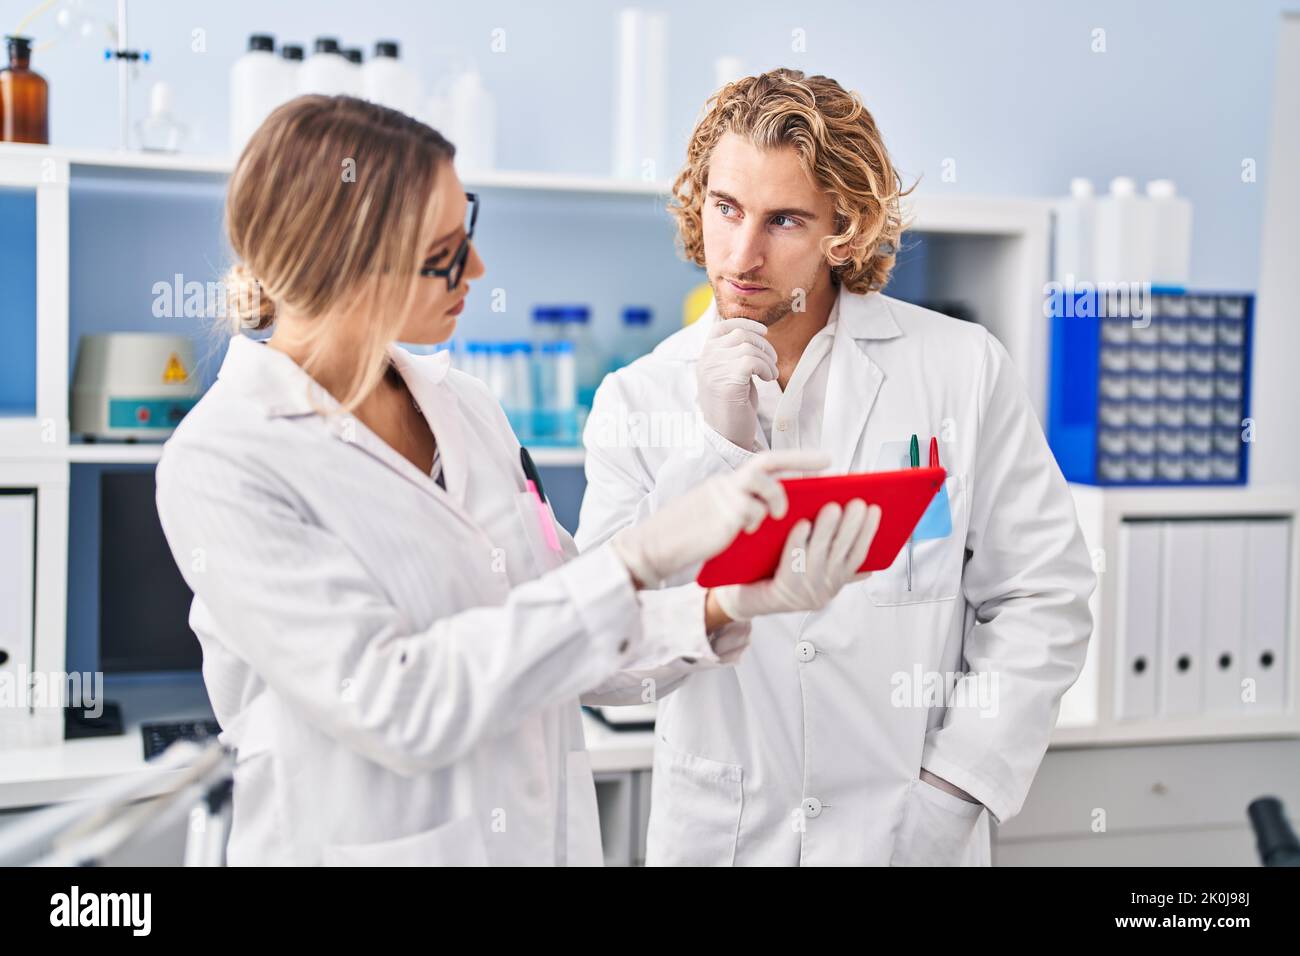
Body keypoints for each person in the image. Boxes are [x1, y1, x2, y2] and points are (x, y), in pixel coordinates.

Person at [154, 94, 879, 866]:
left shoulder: (462, 407)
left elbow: (565, 631)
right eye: (441, 250)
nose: (476, 267)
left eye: (466, 229)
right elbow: (398, 703)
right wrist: (643, 555)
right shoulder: (224, 461)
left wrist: (719, 605)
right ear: (345, 262)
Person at [575, 69, 1097, 866]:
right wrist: (714, 449)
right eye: (726, 209)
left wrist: (951, 793)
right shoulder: (637, 396)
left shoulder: (961, 369)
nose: (742, 255)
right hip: (726, 837)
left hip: (906, 834)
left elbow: (1042, 596)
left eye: (783, 220)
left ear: (845, 229)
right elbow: (603, 660)